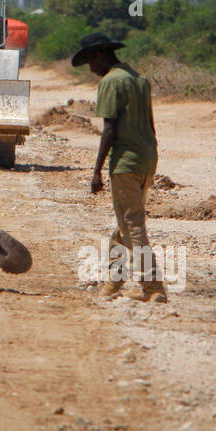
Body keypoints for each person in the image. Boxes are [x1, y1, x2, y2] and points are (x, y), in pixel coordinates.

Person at [72, 32, 165, 303]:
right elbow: (150, 125)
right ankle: (113, 283)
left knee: (133, 226)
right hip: (146, 159)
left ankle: (153, 287)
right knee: (125, 224)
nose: (91, 69)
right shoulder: (139, 79)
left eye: (91, 61)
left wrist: (96, 170)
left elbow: (109, 128)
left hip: (125, 162)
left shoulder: (111, 81)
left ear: (102, 55)